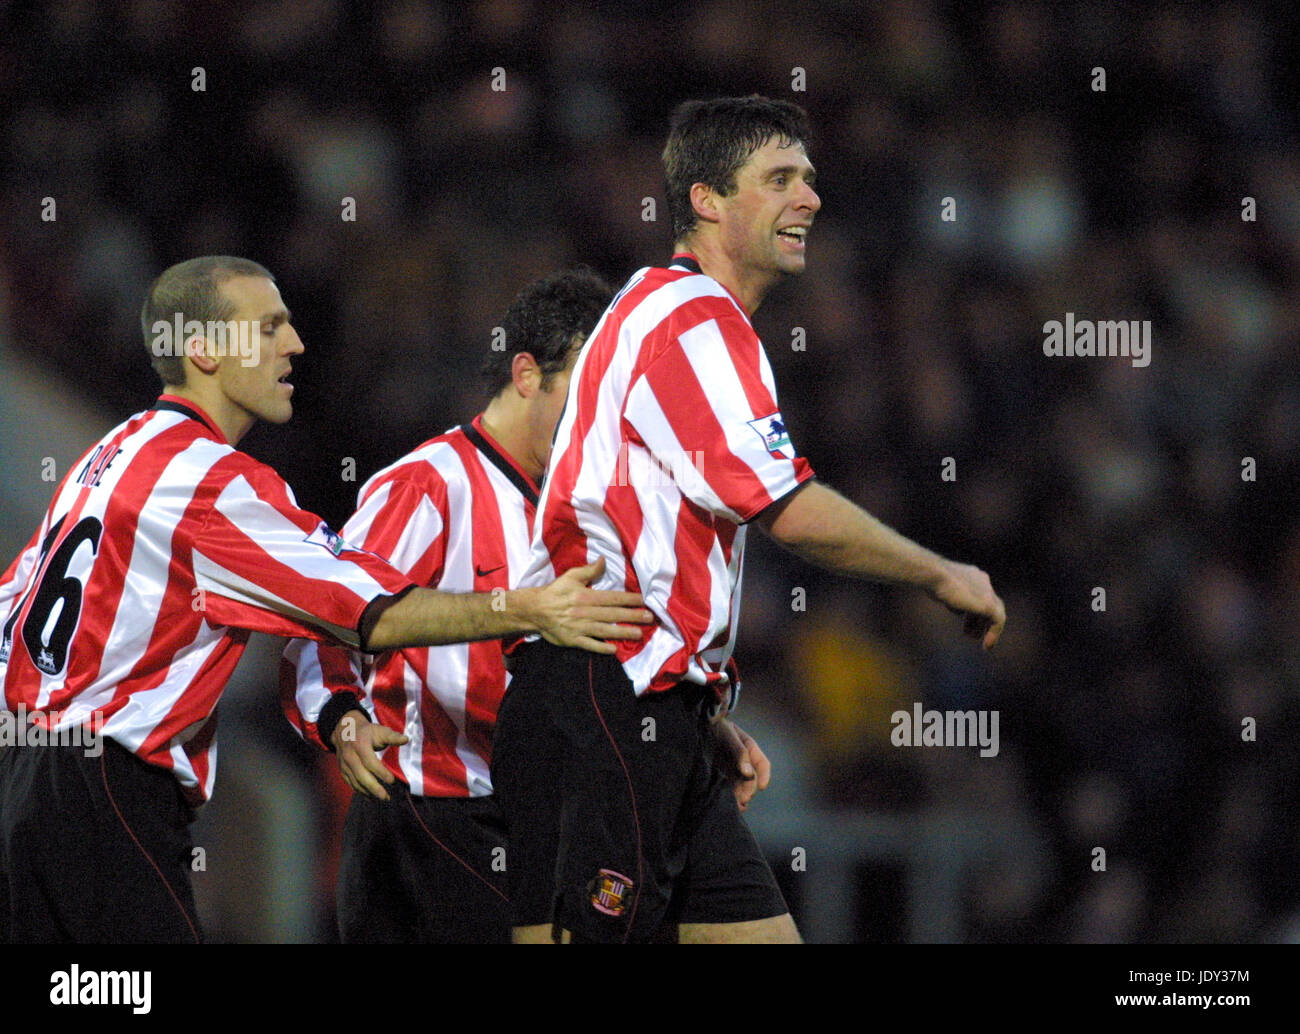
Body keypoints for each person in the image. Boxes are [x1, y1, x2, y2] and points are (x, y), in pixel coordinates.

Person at [0, 256, 650, 944]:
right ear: (203, 350)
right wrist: (525, 609)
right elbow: (369, 613)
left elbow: (13, 603)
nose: (295, 344)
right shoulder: (214, 483)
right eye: (269, 327)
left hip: (27, 779)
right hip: (109, 793)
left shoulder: (110, 452)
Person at [491, 96, 1007, 944]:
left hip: (653, 705)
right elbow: (787, 511)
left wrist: (698, 704)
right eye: (778, 179)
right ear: (706, 199)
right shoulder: (691, 320)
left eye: (808, 178)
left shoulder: (669, 315)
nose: (808, 197)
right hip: (605, 697)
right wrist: (941, 573)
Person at [283, 268, 771, 943]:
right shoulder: (429, 486)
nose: (602, 419)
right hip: (430, 819)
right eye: (585, 391)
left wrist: (696, 721)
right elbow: (322, 627)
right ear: (525, 374)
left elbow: (617, 653)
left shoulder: (594, 507)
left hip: (536, 816)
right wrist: (342, 720)